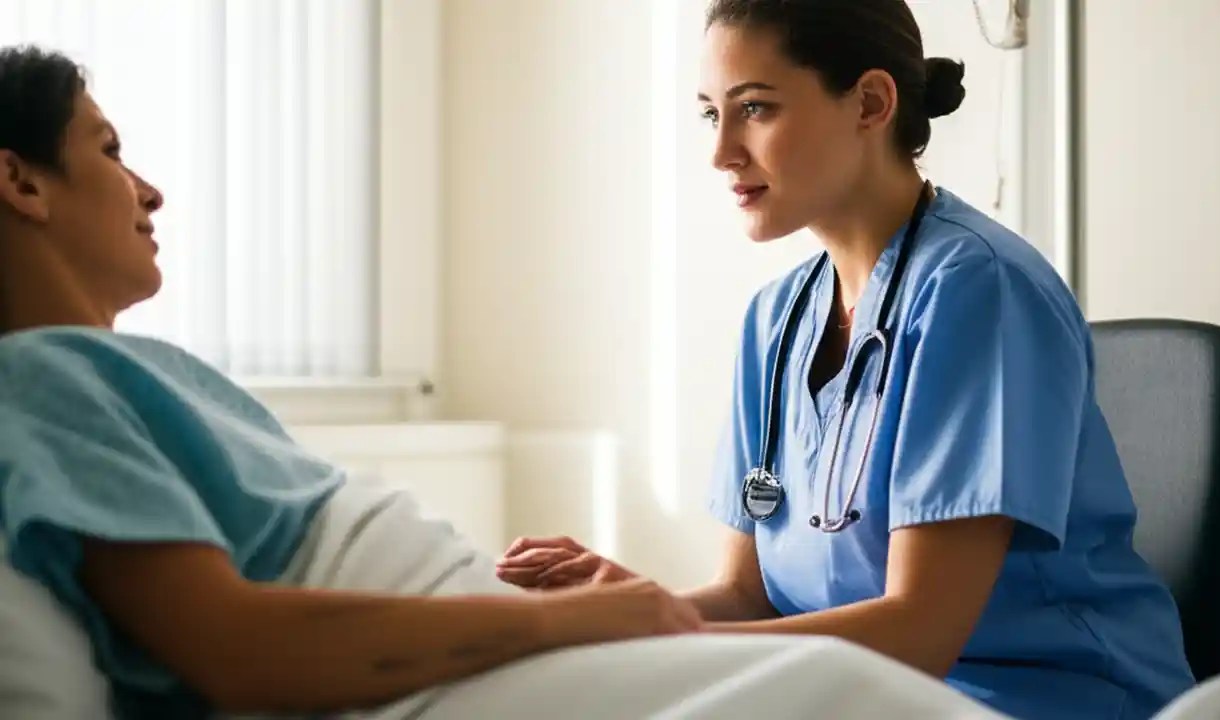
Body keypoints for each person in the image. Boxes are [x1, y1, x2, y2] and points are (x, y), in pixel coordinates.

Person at [497, 1, 1197, 719]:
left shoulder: (977, 290)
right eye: (713, 114)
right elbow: (748, 597)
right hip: (861, 697)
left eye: (757, 109)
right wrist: (636, 612)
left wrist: (656, 634)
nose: (722, 151)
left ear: (870, 102)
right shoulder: (774, 321)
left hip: (1036, 699)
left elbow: (919, 633)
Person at [0, 44, 710, 719]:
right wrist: (562, 620)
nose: (149, 193)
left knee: (806, 682)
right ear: (21, 181)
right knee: (818, 684)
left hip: (453, 631)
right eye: (111, 151)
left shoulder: (104, 372)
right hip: (418, 676)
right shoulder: (37, 380)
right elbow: (234, 649)